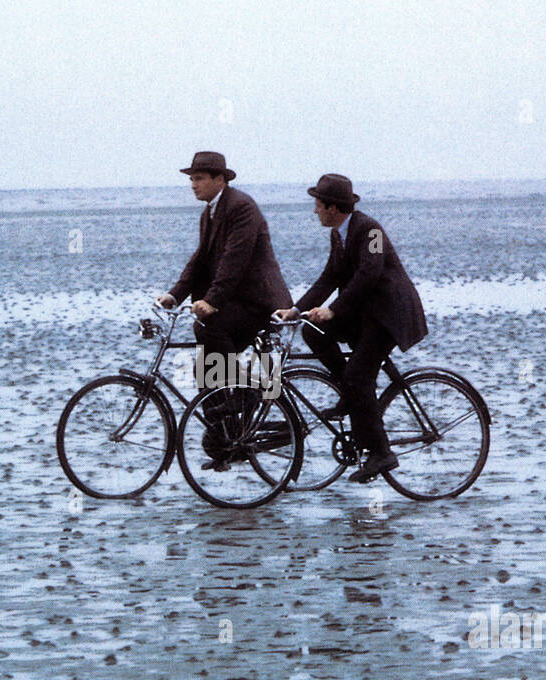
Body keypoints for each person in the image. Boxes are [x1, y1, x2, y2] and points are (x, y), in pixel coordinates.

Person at [273, 174, 427, 483]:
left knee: (359, 376)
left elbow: (370, 274)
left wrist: (332, 309)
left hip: (389, 314)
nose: (314, 211)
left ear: (332, 208)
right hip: (365, 312)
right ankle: (349, 392)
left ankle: (382, 452)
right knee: (311, 331)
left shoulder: (370, 230)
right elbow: (329, 277)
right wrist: (296, 311)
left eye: (317, 205)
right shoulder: (338, 234)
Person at [154, 152, 293, 468]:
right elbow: (200, 261)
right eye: (191, 178)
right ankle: (227, 439)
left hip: (259, 301)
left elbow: (235, 261)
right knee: (203, 367)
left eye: (199, 178)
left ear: (221, 179)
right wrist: (174, 296)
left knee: (211, 327)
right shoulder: (210, 213)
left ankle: (248, 393)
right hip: (236, 299)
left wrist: (211, 301)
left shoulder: (241, 207)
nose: (193, 184)